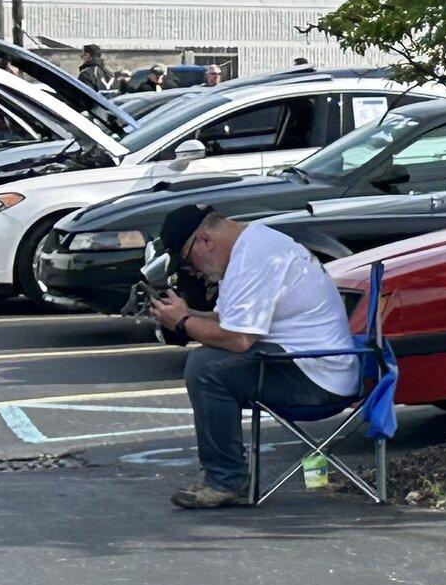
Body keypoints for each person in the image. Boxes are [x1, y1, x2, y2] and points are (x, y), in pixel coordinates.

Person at [146, 202, 364, 510]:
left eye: (187, 260)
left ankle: (226, 480)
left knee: (207, 367)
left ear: (205, 241)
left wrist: (183, 322)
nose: (192, 271)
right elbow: (228, 323)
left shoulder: (255, 257)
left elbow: (238, 339)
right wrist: (181, 313)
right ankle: (224, 475)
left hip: (318, 377)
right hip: (306, 363)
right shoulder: (251, 246)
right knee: (210, 361)